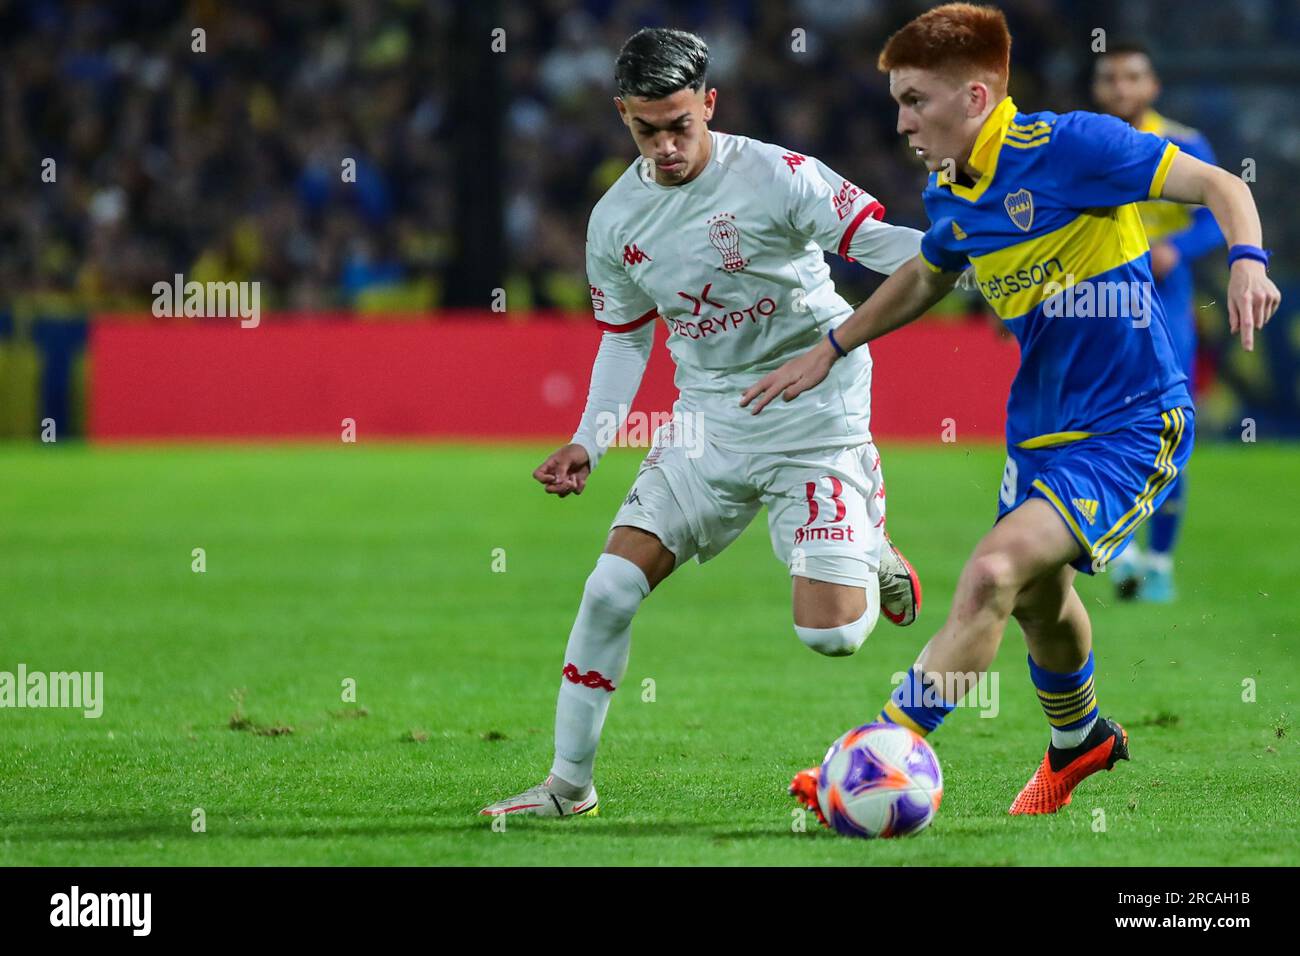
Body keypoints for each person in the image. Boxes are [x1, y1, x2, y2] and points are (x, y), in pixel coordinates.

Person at [741, 3, 1279, 818]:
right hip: (1038, 432)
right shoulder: (952, 190)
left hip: (1130, 422)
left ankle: (872, 754)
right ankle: (1082, 740)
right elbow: (929, 272)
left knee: (994, 571)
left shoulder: (1074, 146)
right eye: (897, 102)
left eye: (916, 101)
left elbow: (1219, 183)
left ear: (978, 96)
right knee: (1037, 600)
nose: (902, 122)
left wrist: (1247, 260)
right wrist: (835, 344)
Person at [481, 27, 925, 818]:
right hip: (707, 424)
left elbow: (889, 250)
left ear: (709, 104)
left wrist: (982, 250)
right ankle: (568, 786)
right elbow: (625, 340)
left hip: (814, 417)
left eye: (680, 124)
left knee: (832, 638)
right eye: (646, 129)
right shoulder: (616, 221)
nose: (665, 145)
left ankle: (870, 540)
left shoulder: (781, 175)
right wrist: (591, 439)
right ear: (623, 115)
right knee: (611, 585)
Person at [1093, 42, 1224, 602]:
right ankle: (1120, 547)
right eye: (1110, 78)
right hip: (1096, 308)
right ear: (1098, 89)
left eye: (1132, 77)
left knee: (1170, 431)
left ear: (1152, 88)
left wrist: (1176, 247)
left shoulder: (1185, 142)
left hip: (1166, 307)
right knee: (1099, 426)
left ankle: (1160, 564)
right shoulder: (1080, 144)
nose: (1121, 88)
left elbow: (1220, 215)